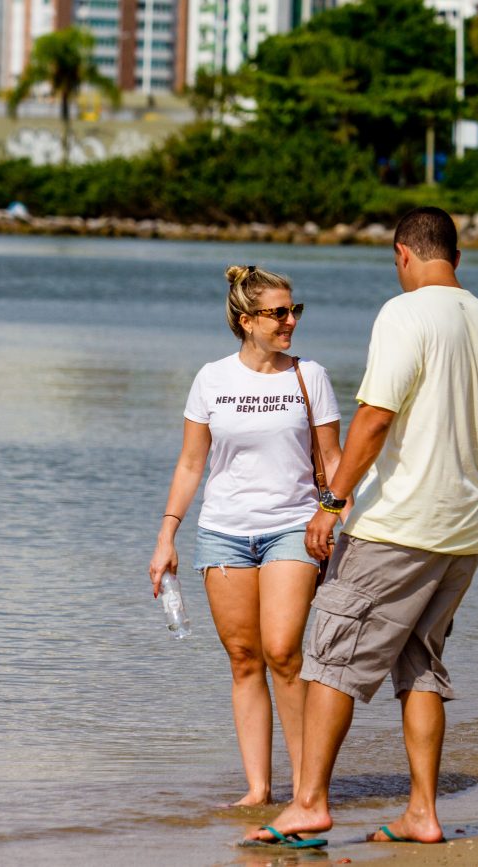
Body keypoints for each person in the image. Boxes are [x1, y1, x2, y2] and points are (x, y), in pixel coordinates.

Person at [245, 207, 478, 847]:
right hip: (461, 535)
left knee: (331, 659)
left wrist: (331, 503)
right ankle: (421, 813)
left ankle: (309, 805)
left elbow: (374, 418)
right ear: (455, 256)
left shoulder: (405, 313)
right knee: (419, 664)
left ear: (402, 254)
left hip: (396, 527)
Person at [150, 265, 342, 807]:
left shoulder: (310, 376)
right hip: (224, 533)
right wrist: (167, 537)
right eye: (278, 313)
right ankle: (258, 789)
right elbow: (192, 464)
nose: (290, 321)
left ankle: (307, 789)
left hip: (292, 528)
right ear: (245, 320)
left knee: (283, 653)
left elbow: (334, 460)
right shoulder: (211, 379)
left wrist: (335, 517)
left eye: (293, 310)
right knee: (243, 658)